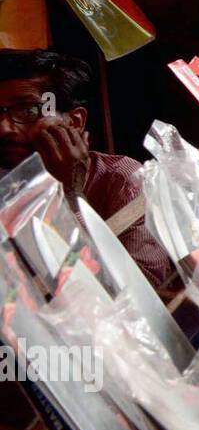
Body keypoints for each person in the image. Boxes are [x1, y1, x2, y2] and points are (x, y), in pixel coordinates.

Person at [0, 49, 171, 286]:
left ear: (74, 122)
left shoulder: (120, 181)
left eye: (28, 110)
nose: (4, 129)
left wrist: (69, 195)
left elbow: (145, 289)